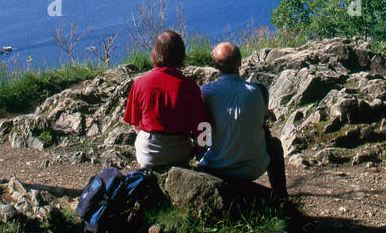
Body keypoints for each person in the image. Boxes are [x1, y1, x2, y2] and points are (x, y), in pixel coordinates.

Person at [196, 41, 288, 201]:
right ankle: (281, 197)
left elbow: (202, 128)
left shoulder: (206, 92)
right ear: (239, 62)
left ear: (215, 66)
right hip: (254, 167)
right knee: (273, 143)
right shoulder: (259, 91)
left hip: (216, 167)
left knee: (204, 131)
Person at [122, 29, 209, 170]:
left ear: (155, 53)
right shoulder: (189, 86)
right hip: (179, 153)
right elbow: (203, 128)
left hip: (148, 154)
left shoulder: (140, 83)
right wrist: (197, 150)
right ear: (181, 55)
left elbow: (135, 124)